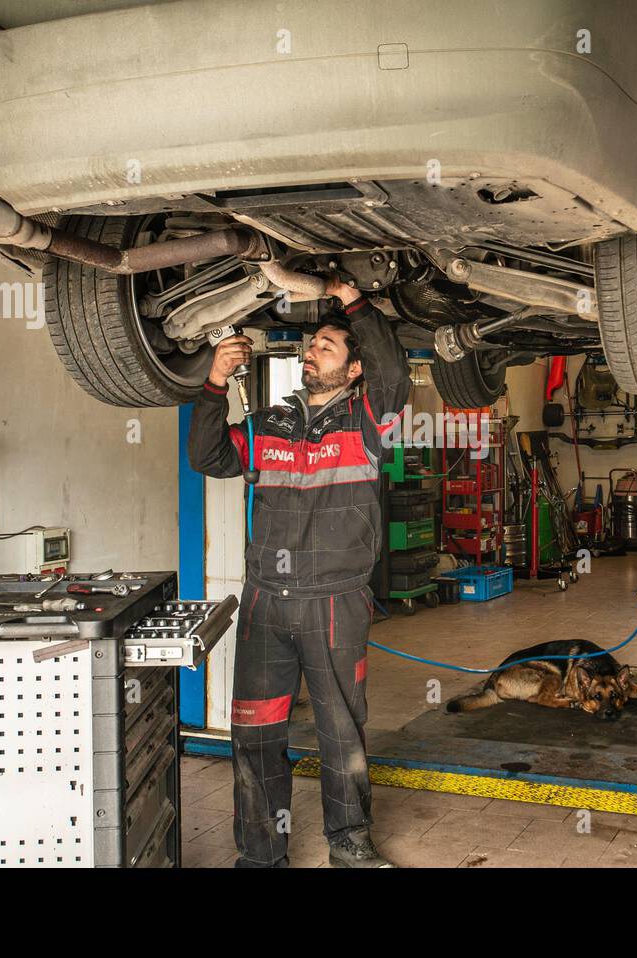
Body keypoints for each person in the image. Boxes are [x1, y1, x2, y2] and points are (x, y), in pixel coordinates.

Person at [188, 277, 411, 867]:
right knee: (256, 735)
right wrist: (213, 383)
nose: (311, 353)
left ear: (355, 368)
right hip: (265, 603)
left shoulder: (367, 423)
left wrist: (351, 299)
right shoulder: (267, 426)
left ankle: (351, 846)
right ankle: (261, 854)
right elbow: (206, 456)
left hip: (334, 603)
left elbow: (393, 369)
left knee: (342, 733)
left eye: (328, 347)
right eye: (309, 346)